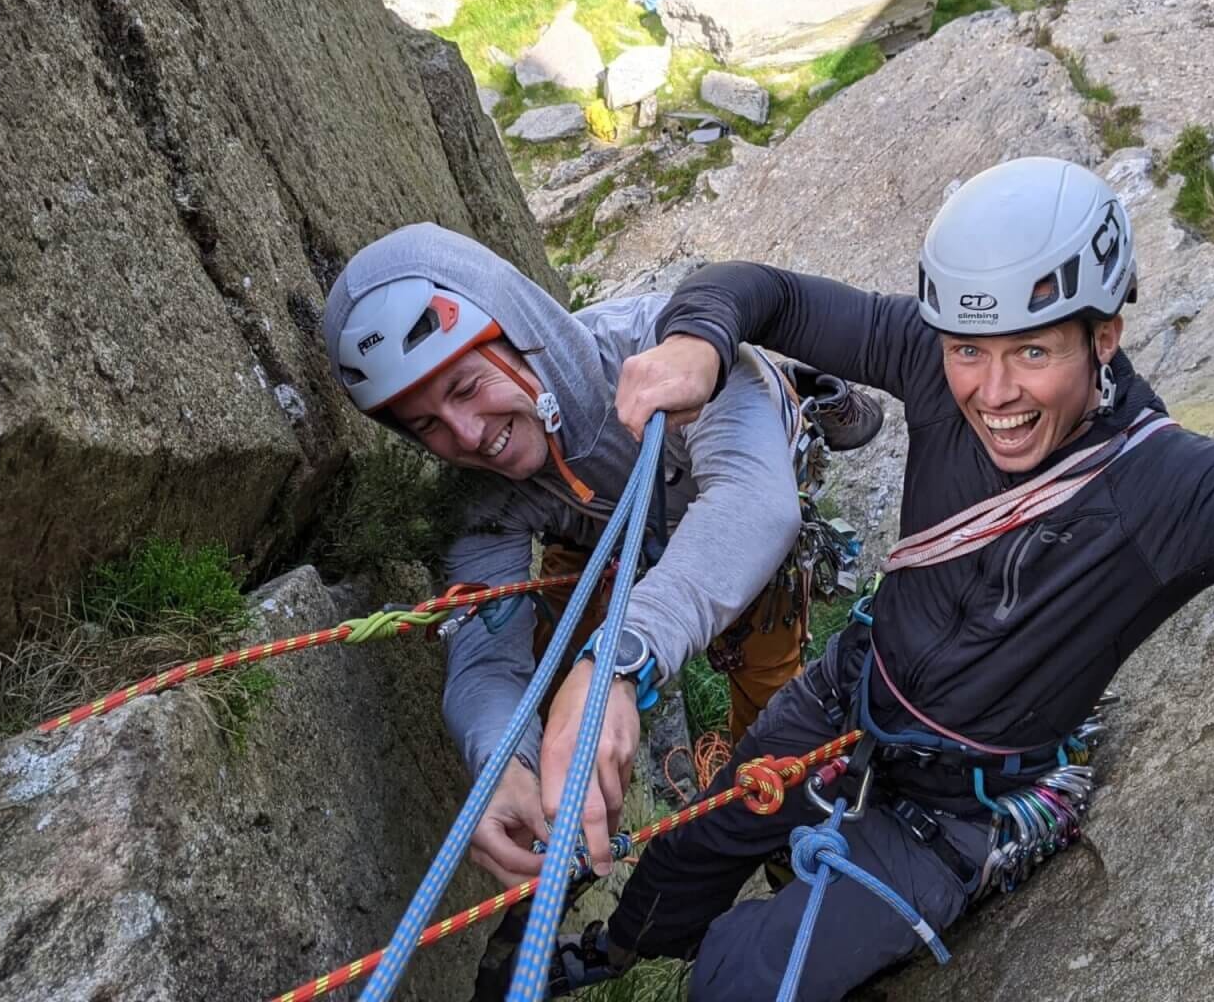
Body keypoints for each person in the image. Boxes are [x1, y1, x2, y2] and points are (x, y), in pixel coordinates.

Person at [546, 158, 1214, 1000]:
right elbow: (761, 289)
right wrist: (699, 338)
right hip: (855, 692)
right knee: (698, 845)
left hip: (963, 809)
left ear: (1105, 335)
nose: (993, 393)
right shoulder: (929, 356)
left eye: (1032, 352)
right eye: (969, 352)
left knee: (743, 976)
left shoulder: (1172, 490)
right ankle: (615, 956)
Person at [320, 222, 879, 892]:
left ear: (519, 336)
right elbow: (487, 662)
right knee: (555, 674)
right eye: (427, 425)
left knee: (771, 699)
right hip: (597, 538)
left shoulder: (673, 349)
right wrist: (502, 761)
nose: (466, 436)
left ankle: (792, 841)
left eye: (466, 387)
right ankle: (571, 837)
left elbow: (755, 506)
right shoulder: (478, 499)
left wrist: (618, 659)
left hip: (728, 508)